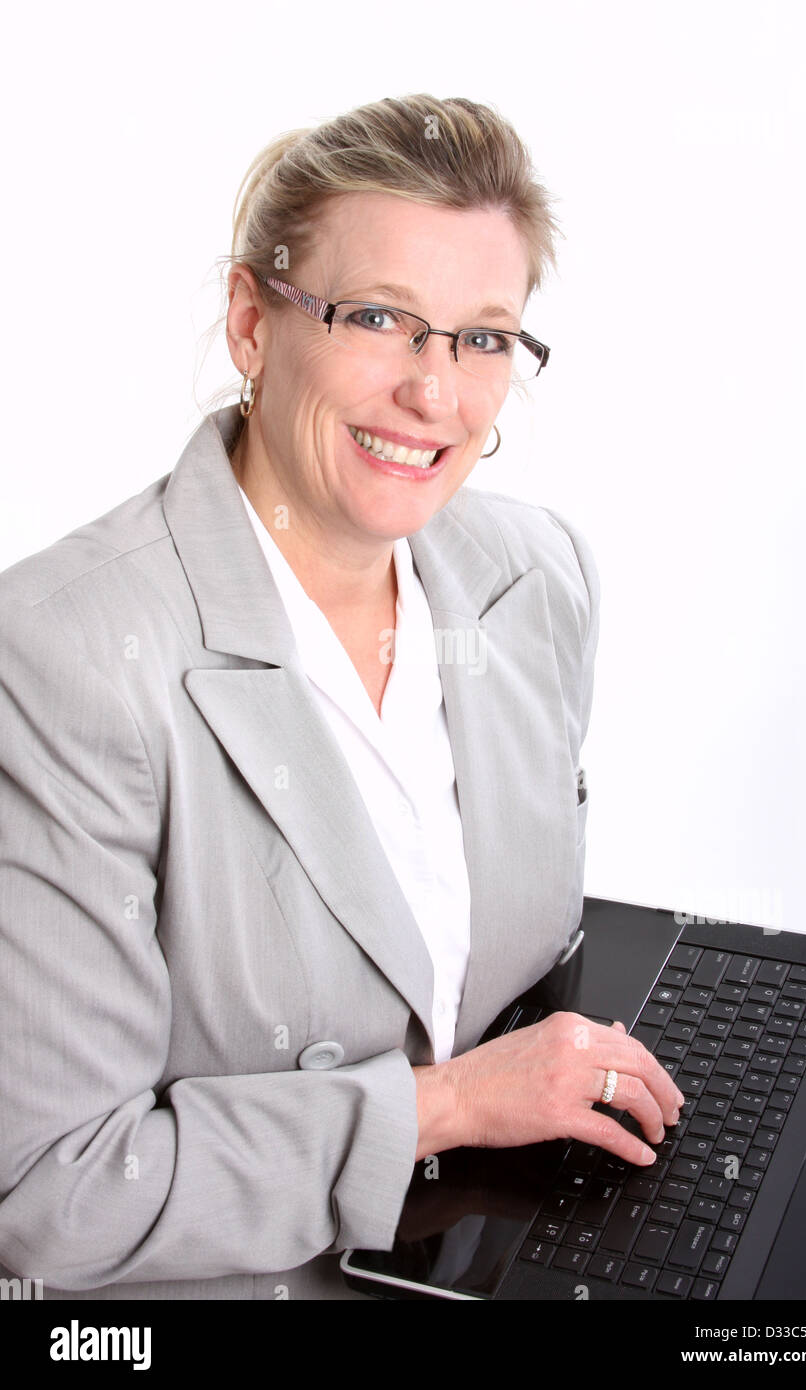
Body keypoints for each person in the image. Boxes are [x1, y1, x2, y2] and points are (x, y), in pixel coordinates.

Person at [0, 94, 682, 1301]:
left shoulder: (535, 576)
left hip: (473, 1254)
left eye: (482, 337)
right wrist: (451, 1107)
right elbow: (53, 1189)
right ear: (251, 321)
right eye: (380, 319)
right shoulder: (63, 658)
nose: (436, 394)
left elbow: (487, 957)